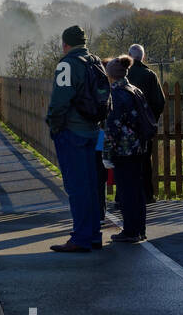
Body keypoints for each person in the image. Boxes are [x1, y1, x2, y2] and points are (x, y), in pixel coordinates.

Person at [45, 25, 108, 252]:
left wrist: (54, 126)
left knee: (77, 187)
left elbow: (59, 102)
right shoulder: (96, 61)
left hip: (72, 133)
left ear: (65, 44)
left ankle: (80, 238)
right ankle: (93, 235)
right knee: (91, 186)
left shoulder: (67, 65)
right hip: (93, 131)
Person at [102, 55, 148, 244]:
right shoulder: (135, 90)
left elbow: (111, 127)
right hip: (139, 148)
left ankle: (130, 231)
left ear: (111, 75)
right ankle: (140, 229)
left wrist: (106, 154)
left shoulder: (116, 94)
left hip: (123, 150)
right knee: (137, 190)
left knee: (126, 191)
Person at [126, 43, 165, 204]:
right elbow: (159, 102)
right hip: (143, 127)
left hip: (125, 127)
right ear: (143, 57)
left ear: (129, 55)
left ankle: (124, 196)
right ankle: (147, 195)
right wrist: (151, 120)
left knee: (125, 162)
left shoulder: (123, 73)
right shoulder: (150, 75)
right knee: (144, 160)